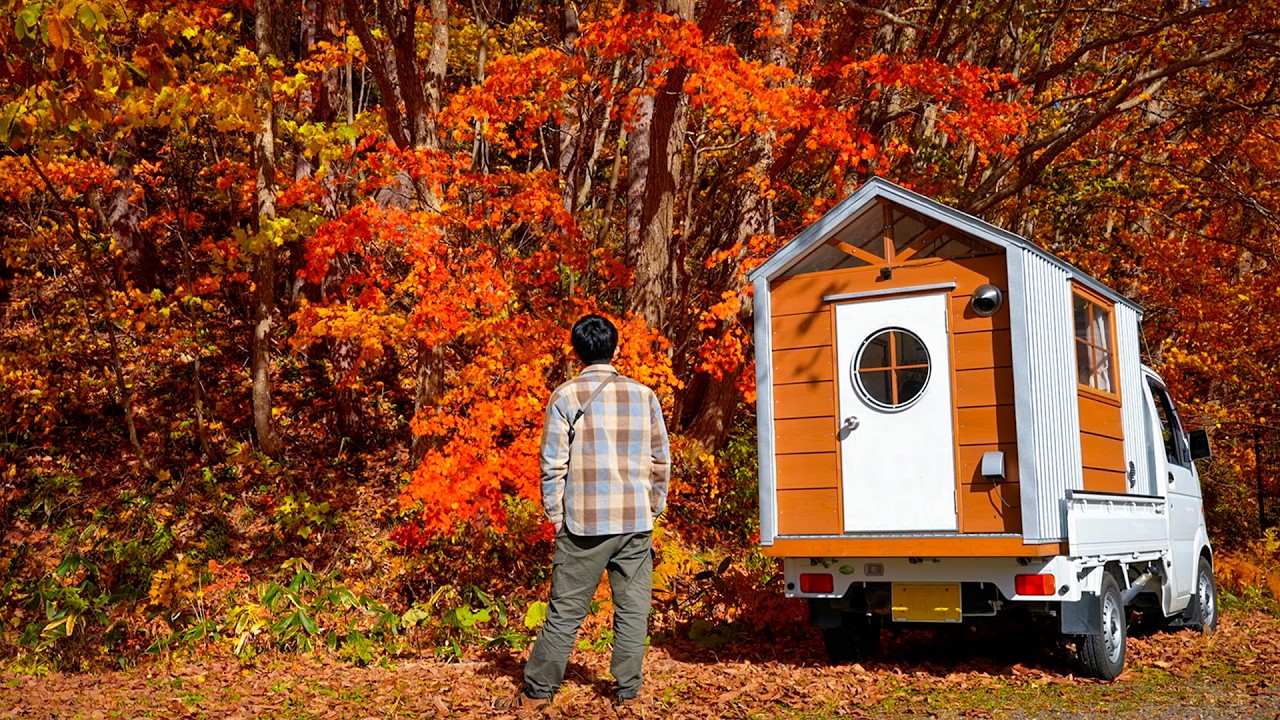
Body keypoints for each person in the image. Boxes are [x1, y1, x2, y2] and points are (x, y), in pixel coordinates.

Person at [519, 314, 671, 714]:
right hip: (635, 520)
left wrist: (556, 516)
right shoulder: (644, 396)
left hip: (583, 523)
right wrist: (652, 507)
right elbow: (661, 462)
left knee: (565, 610)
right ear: (615, 348)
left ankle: (538, 691)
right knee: (634, 607)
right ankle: (629, 690)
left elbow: (552, 464)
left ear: (577, 351)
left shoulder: (566, 396)